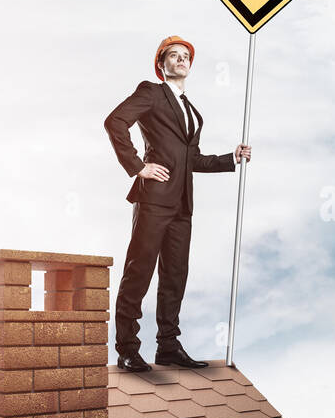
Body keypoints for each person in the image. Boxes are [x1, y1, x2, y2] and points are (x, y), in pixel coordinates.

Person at [103, 34, 251, 371]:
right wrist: (138, 166)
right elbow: (115, 122)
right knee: (139, 272)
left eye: (185, 56)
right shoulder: (151, 93)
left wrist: (232, 157)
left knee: (175, 276)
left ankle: (167, 346)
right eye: (173, 55)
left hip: (183, 205)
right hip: (154, 200)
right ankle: (127, 349)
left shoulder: (190, 110)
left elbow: (191, 159)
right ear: (161, 64)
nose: (181, 59)